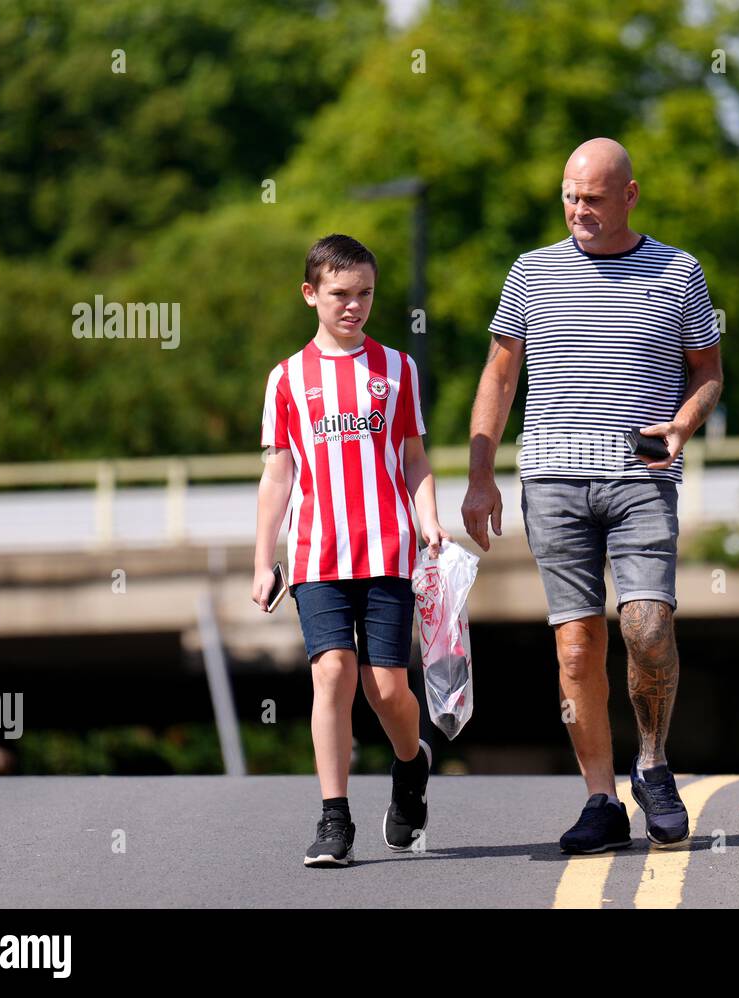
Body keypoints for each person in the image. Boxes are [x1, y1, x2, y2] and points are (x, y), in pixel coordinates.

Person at [462, 138, 723, 853]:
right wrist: (481, 476)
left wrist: (682, 423)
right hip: (551, 481)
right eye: (570, 196)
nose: (579, 210)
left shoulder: (678, 272)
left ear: (630, 196)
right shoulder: (531, 273)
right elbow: (498, 377)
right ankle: (601, 801)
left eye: (595, 199)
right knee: (577, 650)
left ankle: (654, 762)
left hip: (641, 479)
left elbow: (708, 371)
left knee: (646, 628)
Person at [253, 234, 449, 867]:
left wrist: (431, 522)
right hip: (316, 555)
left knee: (387, 687)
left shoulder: (399, 369)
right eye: (340, 294)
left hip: (389, 551)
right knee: (332, 671)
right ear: (310, 294)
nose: (354, 305)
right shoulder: (287, 378)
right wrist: (262, 559)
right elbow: (278, 474)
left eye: (365, 293)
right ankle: (334, 819)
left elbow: (415, 460)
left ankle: (410, 762)